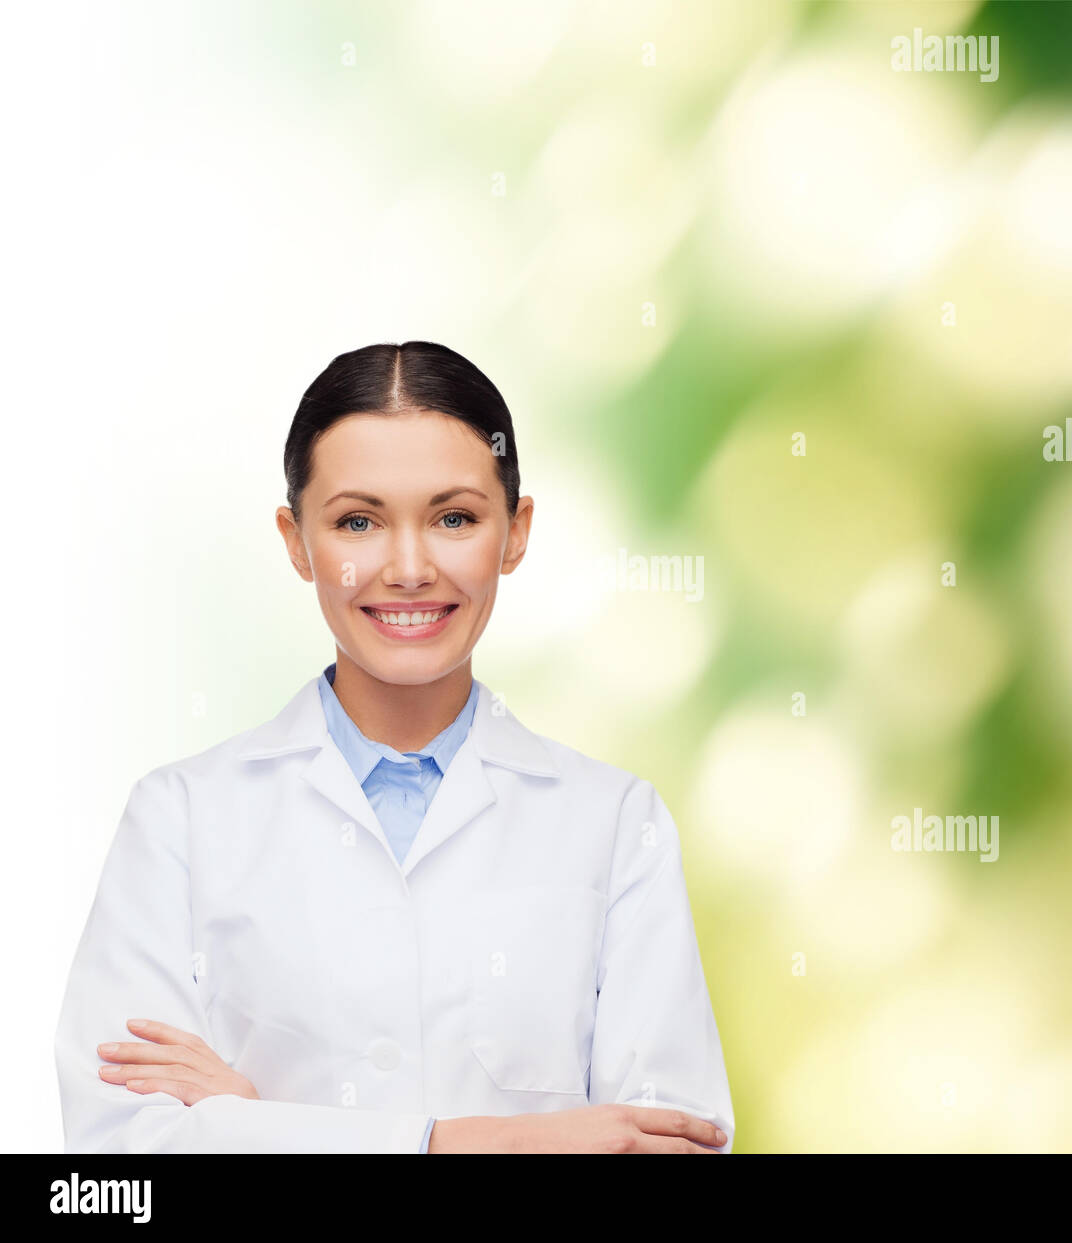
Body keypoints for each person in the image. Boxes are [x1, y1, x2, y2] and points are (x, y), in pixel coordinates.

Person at [53, 341, 734, 1154]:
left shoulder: (618, 825)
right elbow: (120, 1155)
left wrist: (250, 1121)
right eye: (357, 522)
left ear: (514, 533)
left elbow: (671, 1142)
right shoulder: (181, 820)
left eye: (454, 518)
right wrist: (489, 1142)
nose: (409, 568)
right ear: (297, 540)